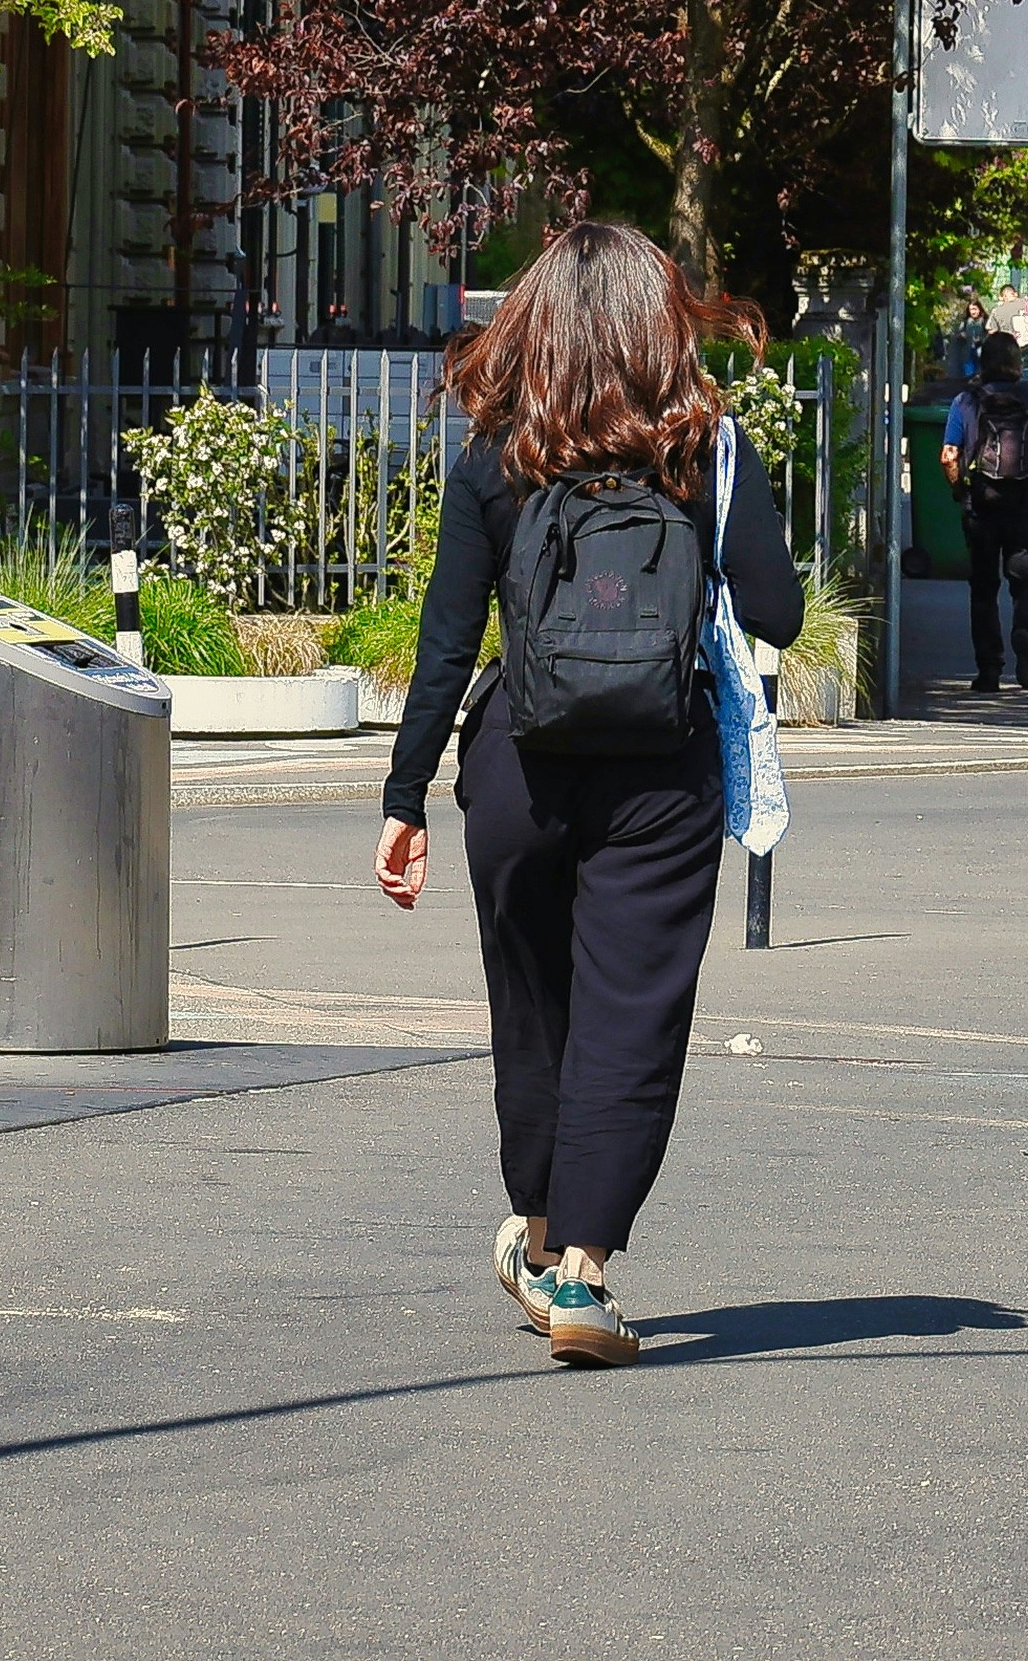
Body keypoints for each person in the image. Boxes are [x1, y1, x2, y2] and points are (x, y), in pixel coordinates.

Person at [370, 221, 803, 1370]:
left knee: (536, 1008)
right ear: (661, 322)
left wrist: (403, 796)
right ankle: (587, 1278)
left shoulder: (495, 452)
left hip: (519, 762)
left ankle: (541, 1228)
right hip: (660, 767)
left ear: (538, 321)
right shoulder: (705, 445)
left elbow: (448, 637)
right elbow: (779, 613)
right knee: (631, 1016)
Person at [944, 333, 1028, 694]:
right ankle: (1024, 631)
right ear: (1017, 363)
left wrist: (959, 490)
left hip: (982, 507)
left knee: (983, 590)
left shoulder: (966, 401)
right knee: (1026, 583)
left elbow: (949, 456)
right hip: (1025, 508)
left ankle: (989, 671)